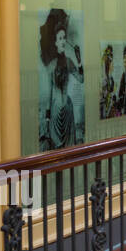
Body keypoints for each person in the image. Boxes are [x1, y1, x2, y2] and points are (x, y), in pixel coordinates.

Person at [39, 9, 83, 150]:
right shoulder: (51, 65)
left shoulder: (69, 61)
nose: (63, 41)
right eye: (60, 38)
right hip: (56, 112)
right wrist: (47, 118)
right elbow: (50, 92)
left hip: (68, 111)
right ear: (56, 42)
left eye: (64, 38)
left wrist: (79, 60)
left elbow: (81, 79)